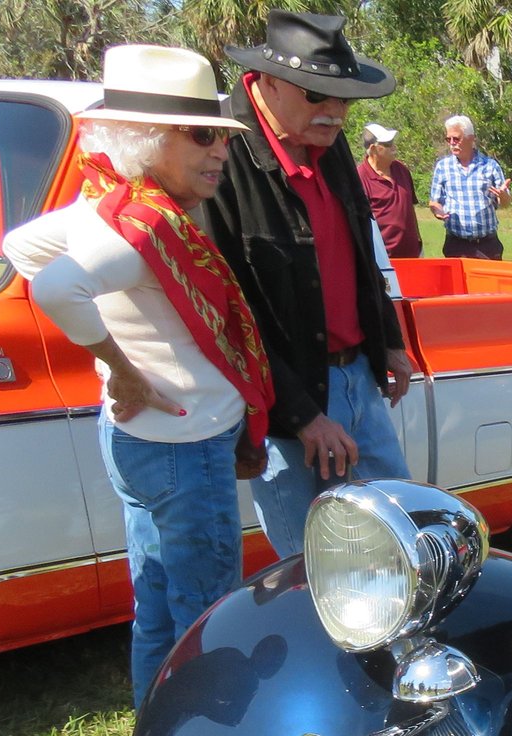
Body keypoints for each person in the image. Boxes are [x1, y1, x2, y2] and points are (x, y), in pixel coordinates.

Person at [2, 45, 270, 706]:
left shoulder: (109, 207)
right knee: (204, 615)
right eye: (203, 137)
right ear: (146, 140)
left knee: (156, 605)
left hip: (143, 444)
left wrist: (111, 353)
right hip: (186, 449)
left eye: (223, 139)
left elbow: (20, 248)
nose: (219, 153)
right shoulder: (137, 232)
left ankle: (156, 731)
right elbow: (57, 289)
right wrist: (119, 366)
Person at [209, 10, 413, 560]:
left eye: (343, 98)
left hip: (357, 381)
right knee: (314, 568)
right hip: (286, 407)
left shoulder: (328, 139)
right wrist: (300, 416)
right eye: (317, 95)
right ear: (268, 84)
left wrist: (386, 338)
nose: (335, 112)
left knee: (396, 540)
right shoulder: (220, 155)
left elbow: (359, 250)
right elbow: (229, 314)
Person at [429, 114, 509, 258]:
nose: (452, 143)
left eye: (456, 138)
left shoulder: (490, 166)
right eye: (449, 139)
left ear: (471, 138)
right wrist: (437, 211)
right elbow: (435, 201)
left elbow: (506, 202)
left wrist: (503, 196)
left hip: (487, 246)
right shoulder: (443, 167)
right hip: (456, 245)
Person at [357, 121, 422, 259]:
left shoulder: (402, 170)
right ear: (373, 149)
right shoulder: (360, 178)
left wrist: (419, 242)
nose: (393, 147)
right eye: (387, 144)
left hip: (412, 256)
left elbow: (410, 209)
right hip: (382, 261)